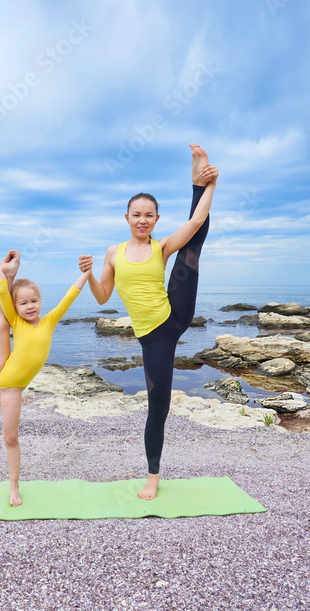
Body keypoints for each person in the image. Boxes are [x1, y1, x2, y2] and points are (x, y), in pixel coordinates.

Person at [79, 143, 218, 500]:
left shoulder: (160, 247)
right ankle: (153, 475)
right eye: (136, 214)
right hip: (154, 337)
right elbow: (102, 297)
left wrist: (211, 186)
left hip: (175, 314)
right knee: (159, 406)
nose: (143, 219)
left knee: (194, 242)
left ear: (156, 219)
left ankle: (196, 181)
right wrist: (90, 274)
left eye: (149, 215)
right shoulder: (114, 253)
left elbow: (196, 222)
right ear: (126, 218)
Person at [0, 250, 91, 506]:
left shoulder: (49, 321)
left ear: (40, 301)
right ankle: (14, 486)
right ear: (18, 307)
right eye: (23, 303)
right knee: (1, 319)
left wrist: (87, 274)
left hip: (16, 384)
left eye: (33, 301)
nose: (30, 306)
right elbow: (4, 298)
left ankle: (14, 483)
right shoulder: (17, 322)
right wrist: (4, 274)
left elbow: (69, 297)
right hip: (6, 379)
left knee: (10, 438)